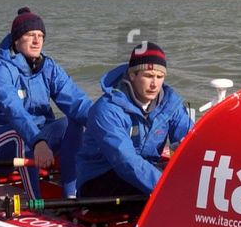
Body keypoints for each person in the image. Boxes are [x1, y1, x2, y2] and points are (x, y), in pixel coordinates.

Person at [0, 7, 92, 196]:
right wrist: (37, 141)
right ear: (16, 40)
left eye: (40, 36)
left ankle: (72, 197)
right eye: (30, 35)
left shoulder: (49, 68)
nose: (36, 41)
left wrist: (106, 124)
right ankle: (35, 204)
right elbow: (14, 111)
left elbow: (77, 102)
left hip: (32, 139)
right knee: (21, 135)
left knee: (72, 122)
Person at [74, 42, 192, 201]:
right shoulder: (106, 110)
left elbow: (192, 141)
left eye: (159, 77)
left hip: (146, 169)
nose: (154, 84)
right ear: (132, 75)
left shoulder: (170, 104)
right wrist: (168, 188)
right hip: (100, 177)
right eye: (148, 76)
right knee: (169, 189)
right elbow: (125, 161)